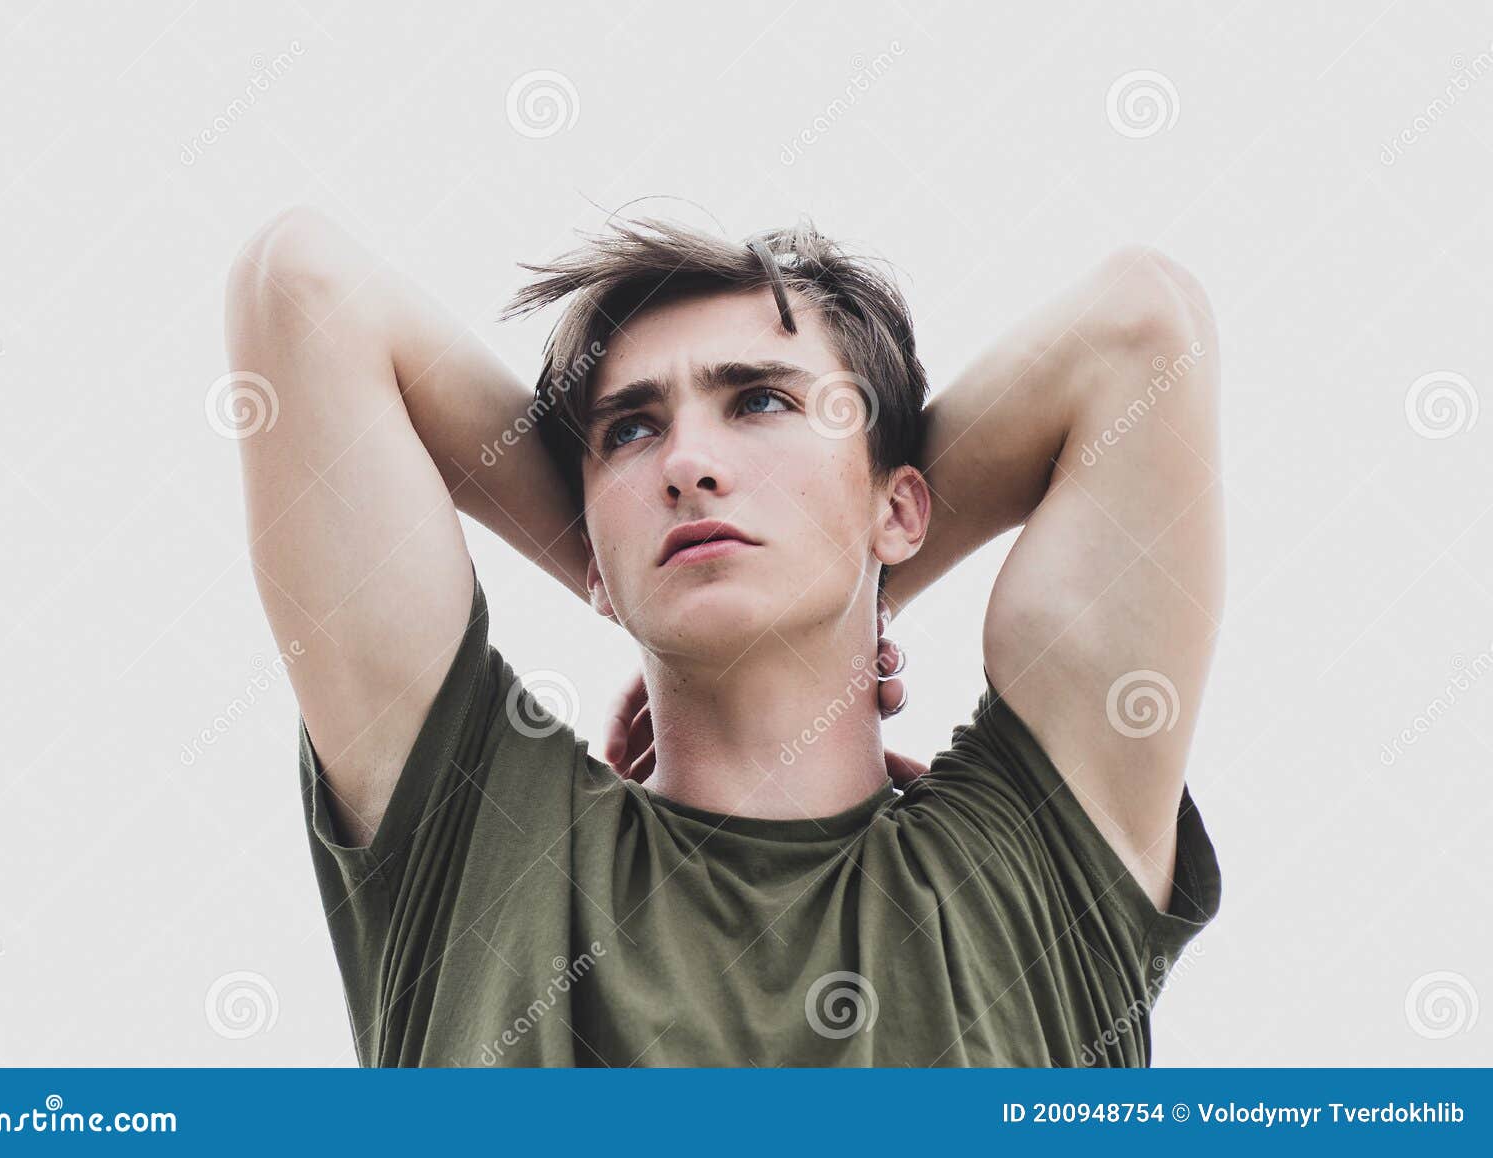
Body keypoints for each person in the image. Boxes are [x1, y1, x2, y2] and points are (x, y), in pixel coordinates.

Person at [224, 205, 1223, 1066]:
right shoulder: (484, 834)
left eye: (759, 400)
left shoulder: (1031, 861)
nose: (688, 463)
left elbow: (1140, 327)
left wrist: (854, 571)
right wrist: (622, 559)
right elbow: (301, 286)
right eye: (630, 430)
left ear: (903, 507)